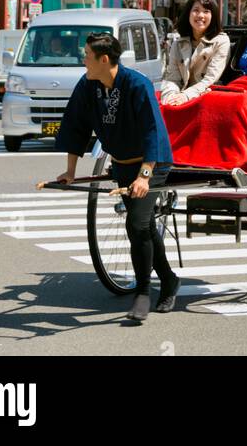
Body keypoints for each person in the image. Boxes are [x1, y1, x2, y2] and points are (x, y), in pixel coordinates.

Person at [55, 31, 178, 322]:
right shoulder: (89, 85)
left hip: (151, 165)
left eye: (87, 55)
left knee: (137, 225)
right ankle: (170, 280)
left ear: (104, 59)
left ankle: (144, 292)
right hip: (123, 165)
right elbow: (75, 124)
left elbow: (152, 131)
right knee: (144, 226)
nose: (83, 60)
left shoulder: (137, 84)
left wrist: (145, 177)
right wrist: (70, 172)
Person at [159, 0, 230, 106]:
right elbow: (173, 78)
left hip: (206, 98)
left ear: (213, 16)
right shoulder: (178, 44)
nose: (200, 15)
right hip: (181, 97)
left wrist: (185, 96)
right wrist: (170, 95)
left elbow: (210, 79)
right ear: (188, 14)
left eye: (206, 11)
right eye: (196, 10)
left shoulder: (221, 41)